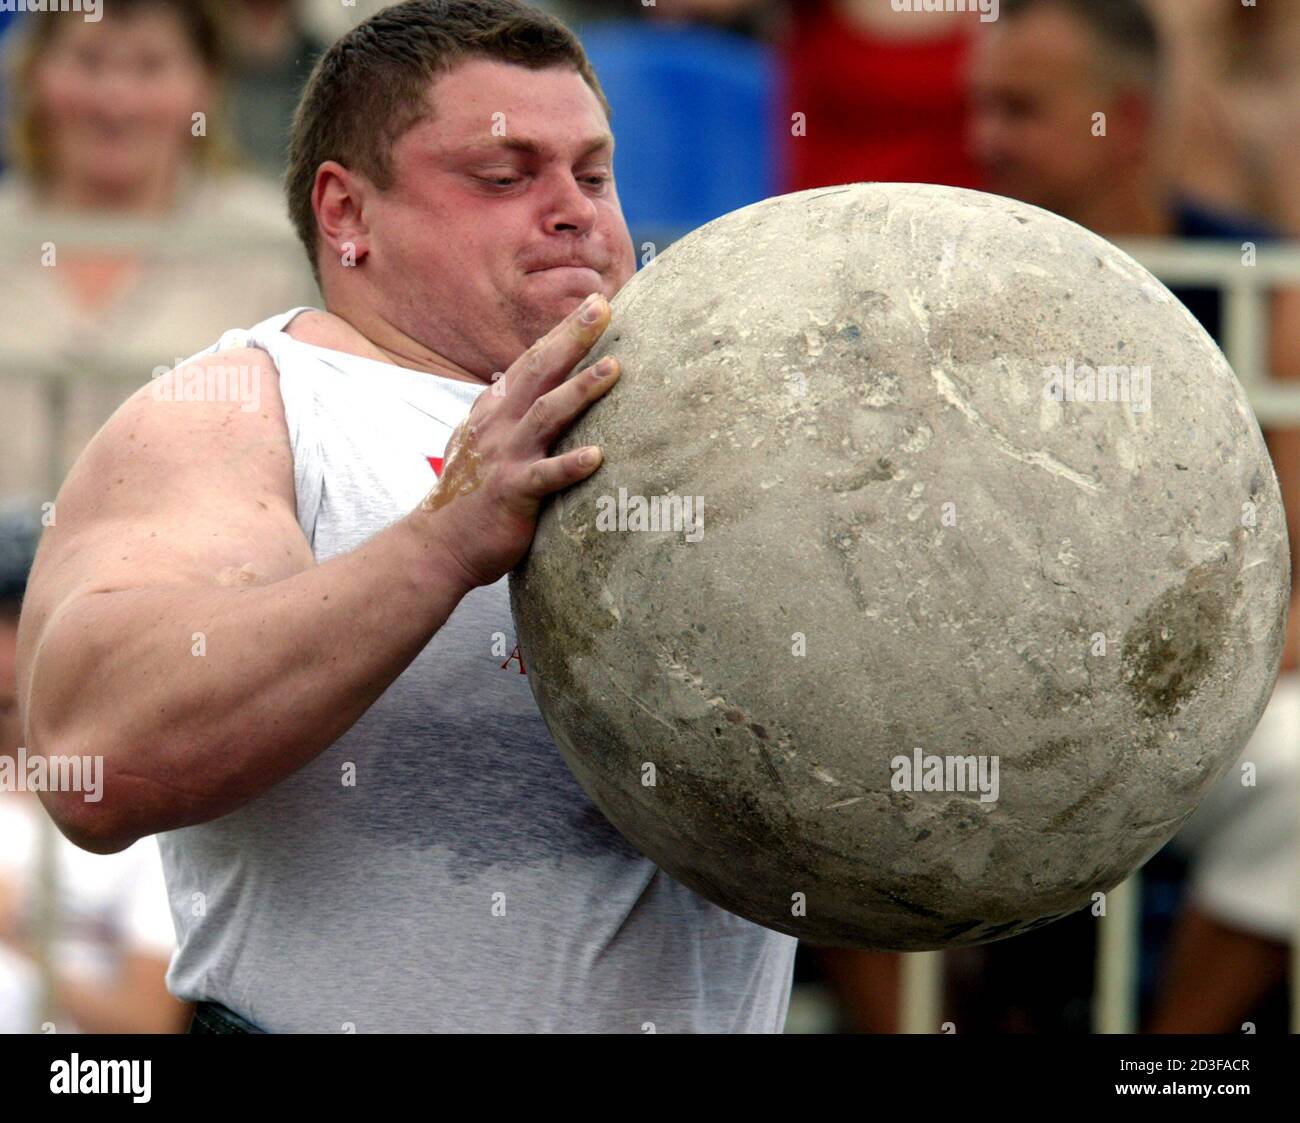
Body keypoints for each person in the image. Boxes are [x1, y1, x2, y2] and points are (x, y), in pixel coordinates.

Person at [16, 0, 798, 1034]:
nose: (572, 211)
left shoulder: (722, 408)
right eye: (504, 175)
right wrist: (442, 541)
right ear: (347, 214)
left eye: (593, 174)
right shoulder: (252, 408)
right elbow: (96, 756)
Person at [964, 0, 1298, 1032]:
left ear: (1129, 117)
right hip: (971, 674)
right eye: (978, 106)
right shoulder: (946, 272)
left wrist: (1178, 700)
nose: (984, 139)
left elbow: (1292, 573)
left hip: (1200, 690)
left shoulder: (1259, 284)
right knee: (815, 733)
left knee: (1297, 772)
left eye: (1019, 109)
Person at [0, 0, 316, 498]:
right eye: (89, 61)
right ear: (34, 71)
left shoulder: (278, 249)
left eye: (151, 67)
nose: (116, 101)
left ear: (206, 83)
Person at [0, 505, 188, 1034]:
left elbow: (150, 1026)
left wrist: (18, 931)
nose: (11, 650)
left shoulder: (145, 822)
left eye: (24, 620)